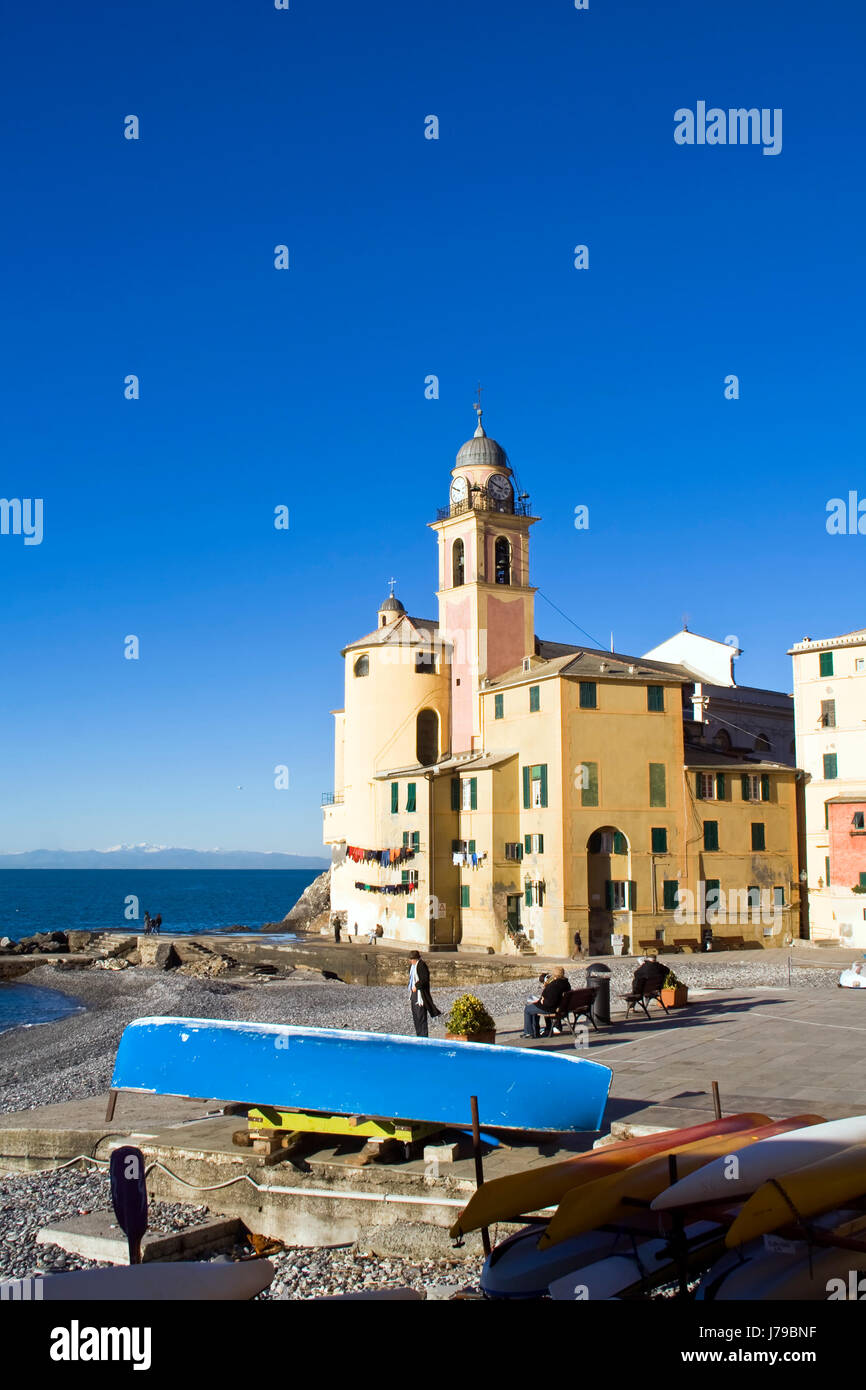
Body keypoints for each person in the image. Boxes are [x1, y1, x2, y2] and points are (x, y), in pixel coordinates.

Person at [522, 966, 570, 1039]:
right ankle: (535, 1031)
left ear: (554, 974)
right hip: (562, 1008)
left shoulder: (554, 985)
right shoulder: (566, 983)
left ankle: (529, 1032)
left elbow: (549, 1003)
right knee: (534, 1007)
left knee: (528, 1009)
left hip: (552, 1009)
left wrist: (542, 1001)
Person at [408, 950, 440, 1037]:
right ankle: (419, 1035)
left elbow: (425, 979)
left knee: (420, 1015)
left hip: (420, 995)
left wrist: (416, 985)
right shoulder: (413, 966)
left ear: (415, 959)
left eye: (412, 959)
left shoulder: (421, 965)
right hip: (414, 994)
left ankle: (423, 1036)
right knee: (416, 1016)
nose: (411, 961)